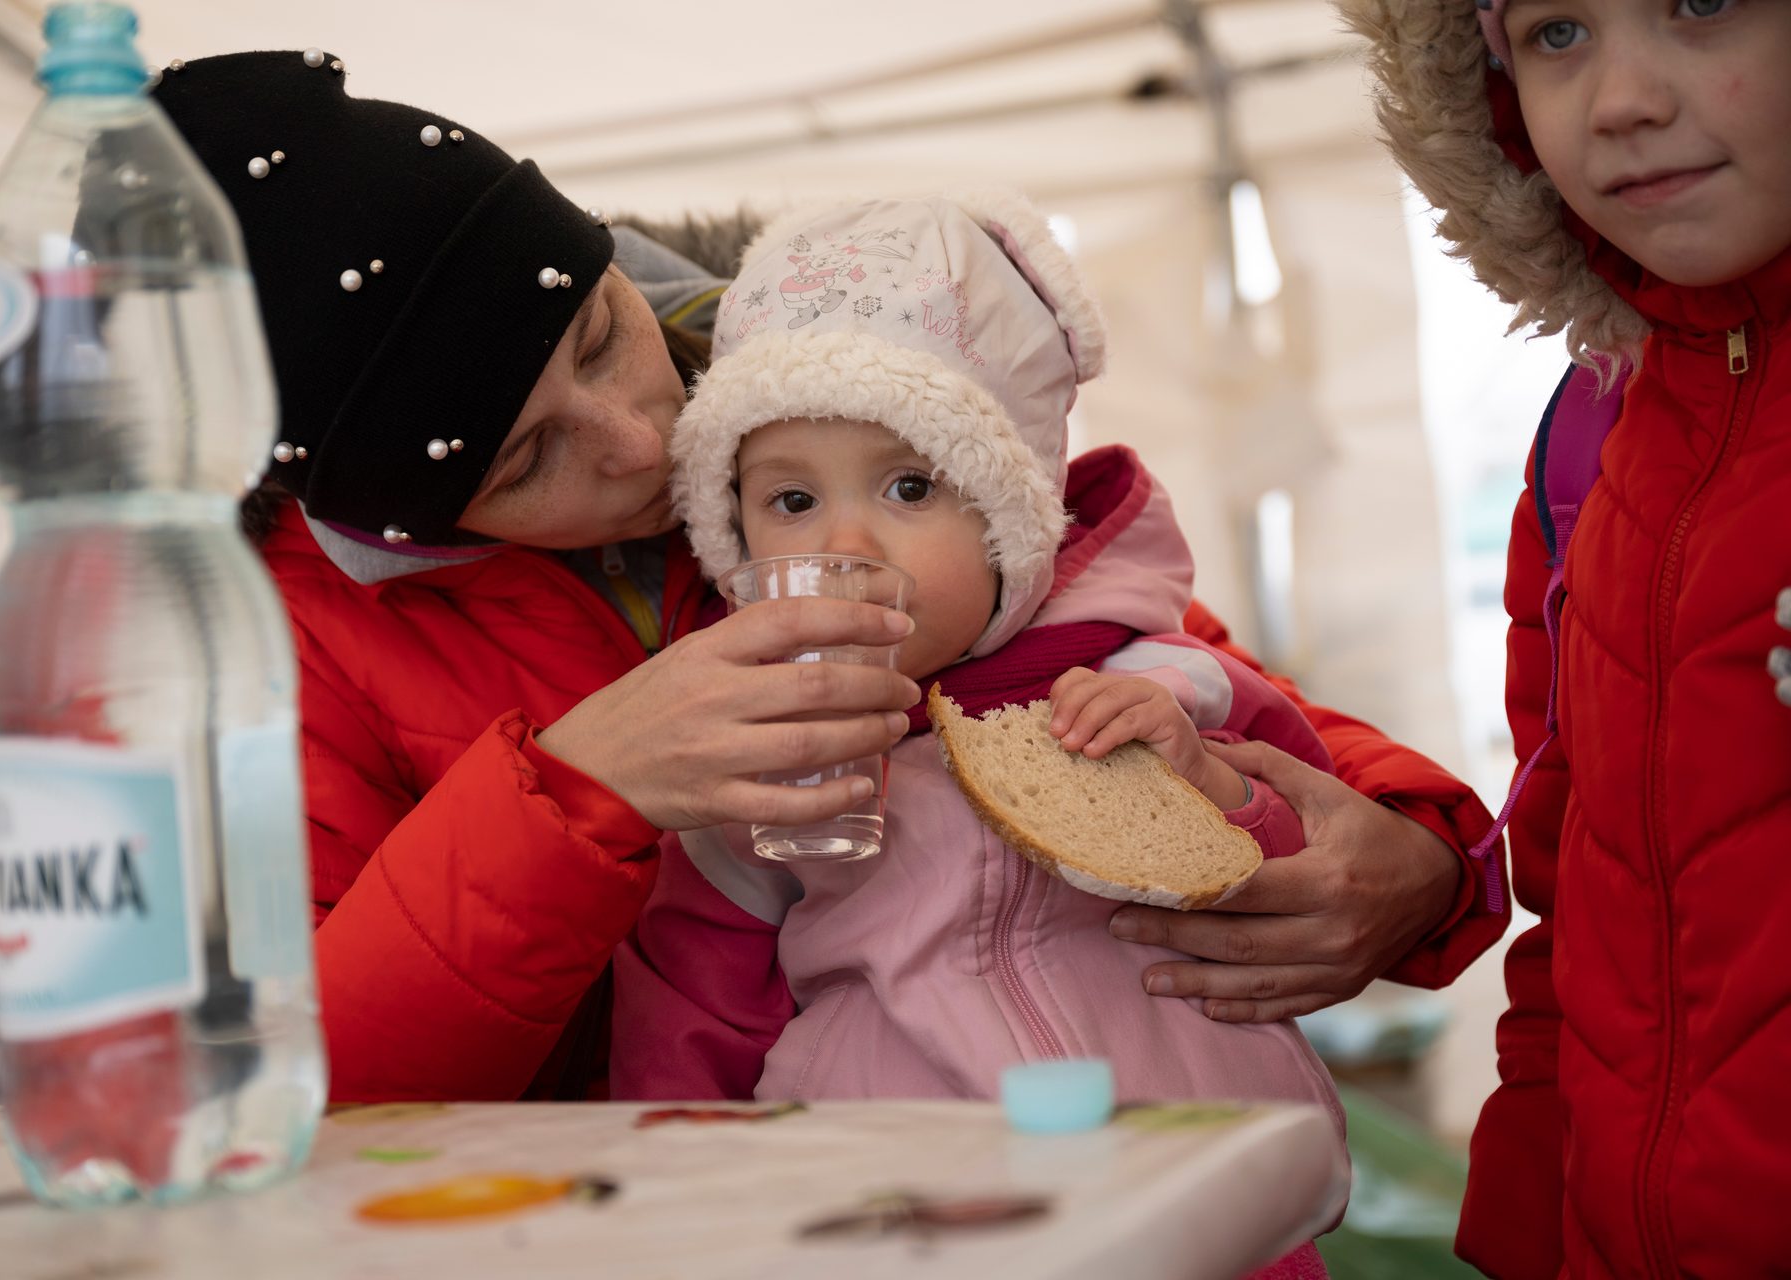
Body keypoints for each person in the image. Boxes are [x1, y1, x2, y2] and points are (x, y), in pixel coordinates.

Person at [150, 48, 1500, 1105]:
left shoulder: (817, 402)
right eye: (524, 463)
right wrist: (575, 794)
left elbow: (1119, 648)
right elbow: (298, 1083)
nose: (641, 434)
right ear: (410, 526)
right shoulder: (287, 643)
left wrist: (1417, 855)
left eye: (600, 332)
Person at [615, 191, 1341, 1279]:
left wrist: (1206, 783)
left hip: (1191, 1187)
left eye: (910, 485)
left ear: (1013, 519)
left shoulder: (1157, 678)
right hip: (899, 1206)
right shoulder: (753, 762)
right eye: (792, 499)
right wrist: (668, 1200)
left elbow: (1306, 877)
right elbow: (688, 1003)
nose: (847, 541)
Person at [1346, 1, 1791, 1275]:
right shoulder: (1595, 449)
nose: (1620, 100)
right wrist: (1524, 1231)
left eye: (1703, 3)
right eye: (1554, 32)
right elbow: (1573, 918)